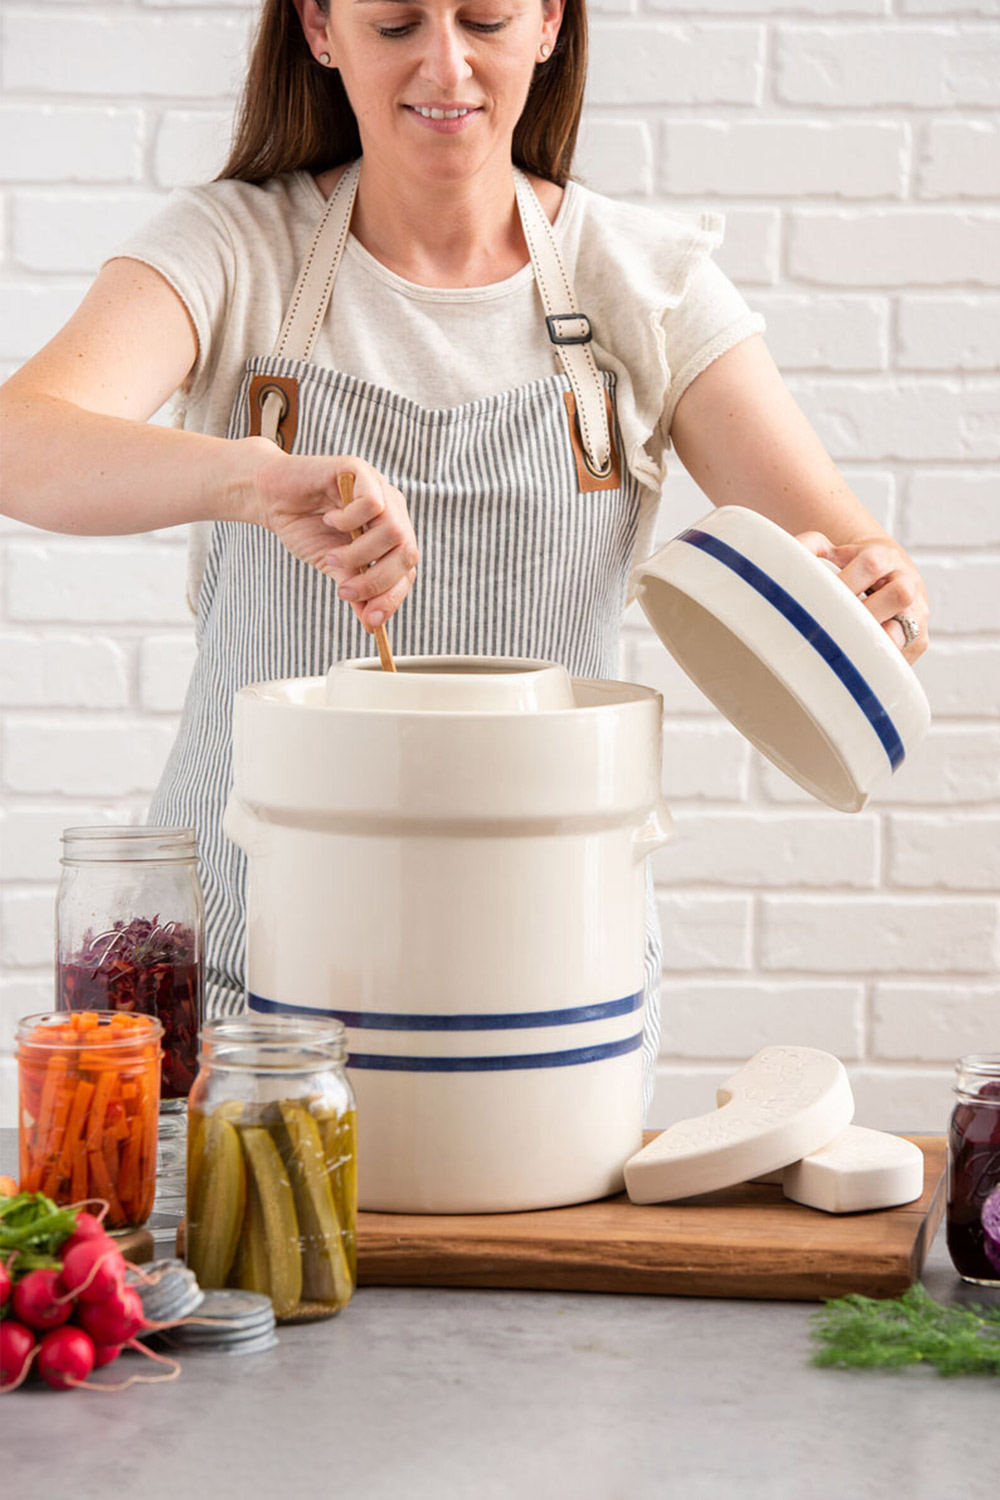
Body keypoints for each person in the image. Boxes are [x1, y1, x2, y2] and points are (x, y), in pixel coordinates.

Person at [0, 0, 928, 1113]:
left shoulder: (641, 281)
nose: (447, 65)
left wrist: (880, 590)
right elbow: (21, 444)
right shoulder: (234, 247)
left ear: (547, 22)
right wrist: (249, 478)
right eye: (396, 24)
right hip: (249, 1010)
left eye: (483, 17)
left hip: (552, 1003)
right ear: (319, 29)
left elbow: (839, 553)